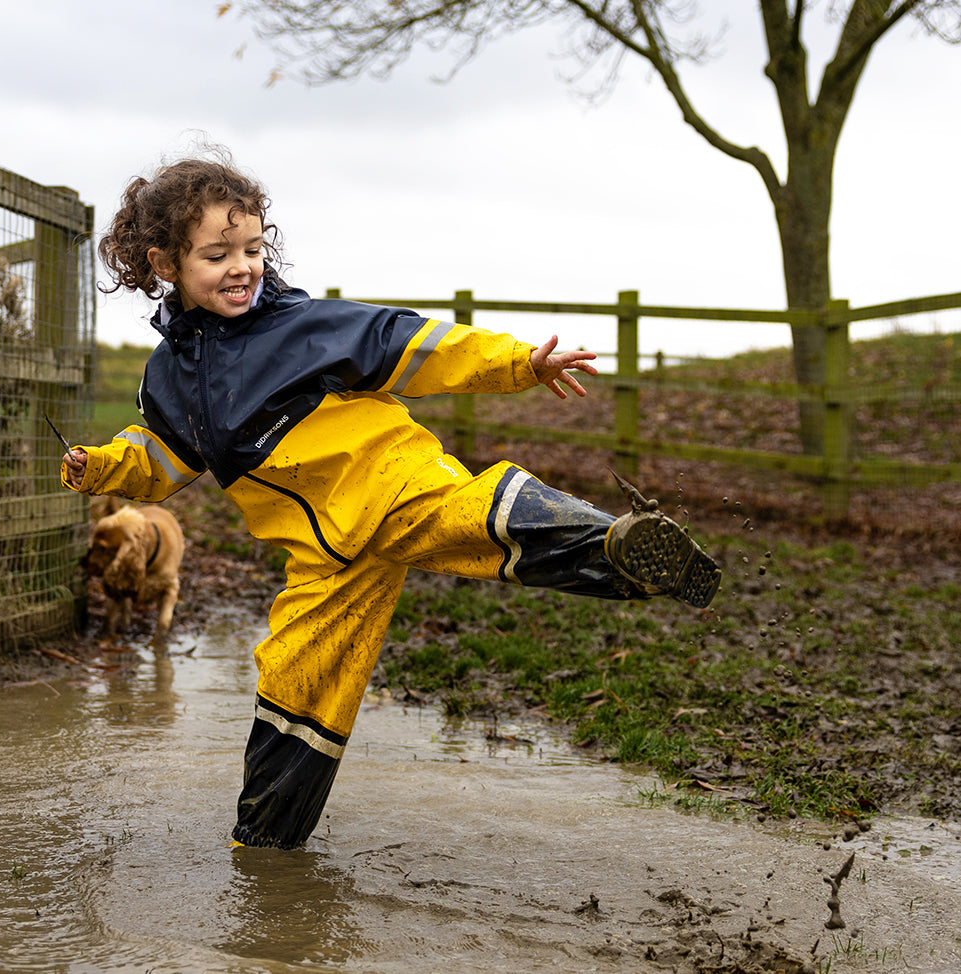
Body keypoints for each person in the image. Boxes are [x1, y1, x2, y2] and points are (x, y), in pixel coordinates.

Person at [61, 148, 720, 850]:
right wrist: (99, 467)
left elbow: (418, 345)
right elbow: (163, 458)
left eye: (252, 247)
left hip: (391, 484)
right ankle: (266, 842)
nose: (242, 266)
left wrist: (521, 362)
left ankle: (619, 550)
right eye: (218, 254)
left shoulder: (305, 326)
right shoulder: (169, 377)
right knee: (295, 675)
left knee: (468, 519)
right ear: (166, 266)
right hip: (323, 556)